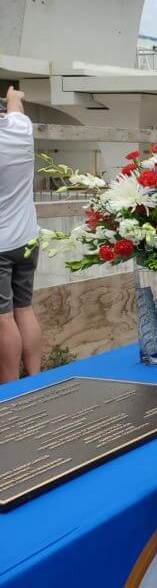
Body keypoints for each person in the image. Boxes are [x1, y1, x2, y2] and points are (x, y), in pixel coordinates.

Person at [0, 86, 42, 383]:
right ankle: (35, 380)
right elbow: (16, 107)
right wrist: (13, 96)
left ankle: (9, 392)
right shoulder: (19, 130)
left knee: (3, 320)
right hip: (27, 239)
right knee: (24, 309)